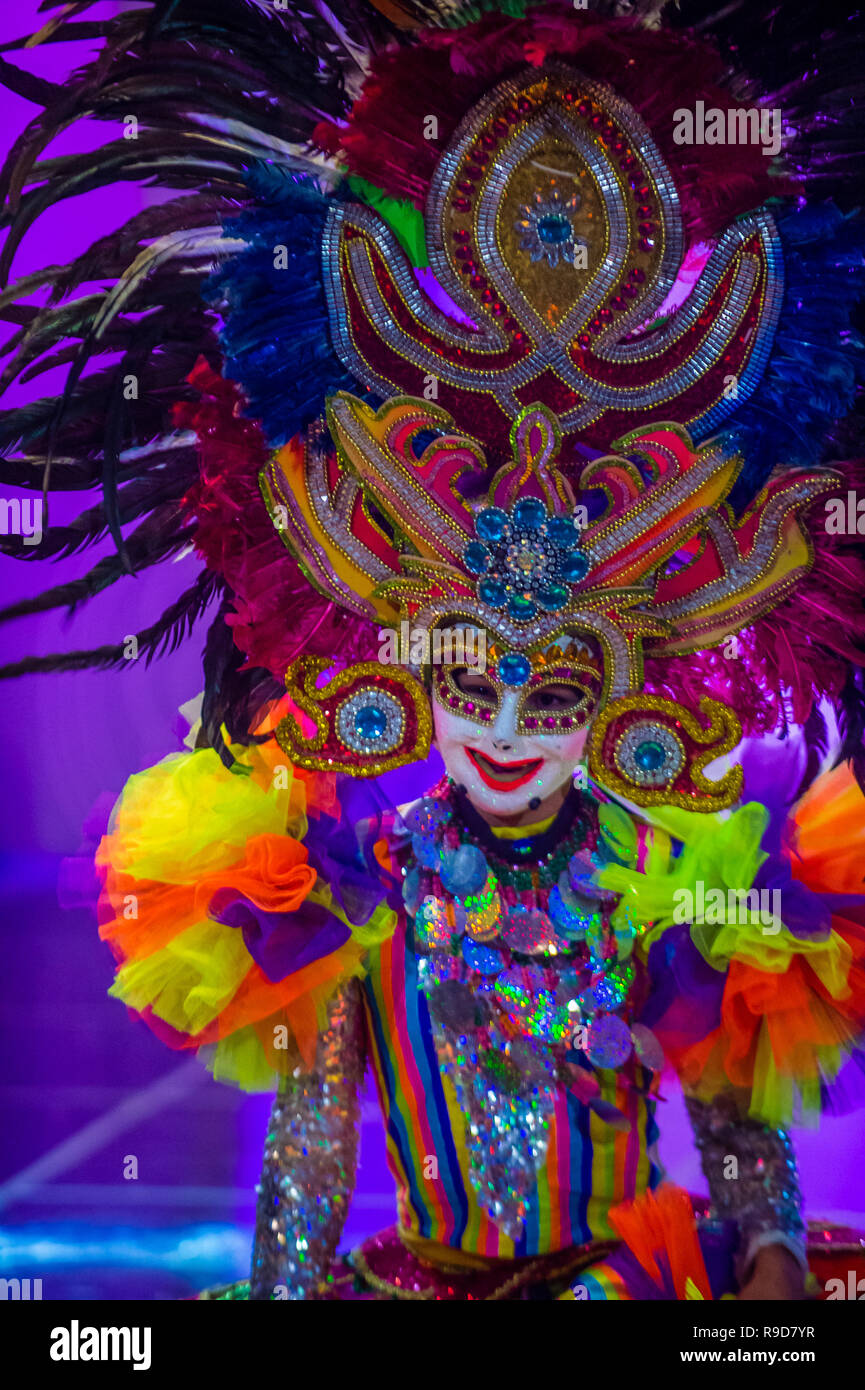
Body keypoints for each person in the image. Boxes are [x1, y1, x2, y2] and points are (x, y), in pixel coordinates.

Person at [2, 0, 865, 1301]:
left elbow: (741, 1151)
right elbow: (308, 1153)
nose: (507, 729)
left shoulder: (669, 885)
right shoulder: (350, 888)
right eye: (471, 681)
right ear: (407, 680)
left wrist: (774, 1271)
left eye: (554, 693)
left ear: (616, 705)